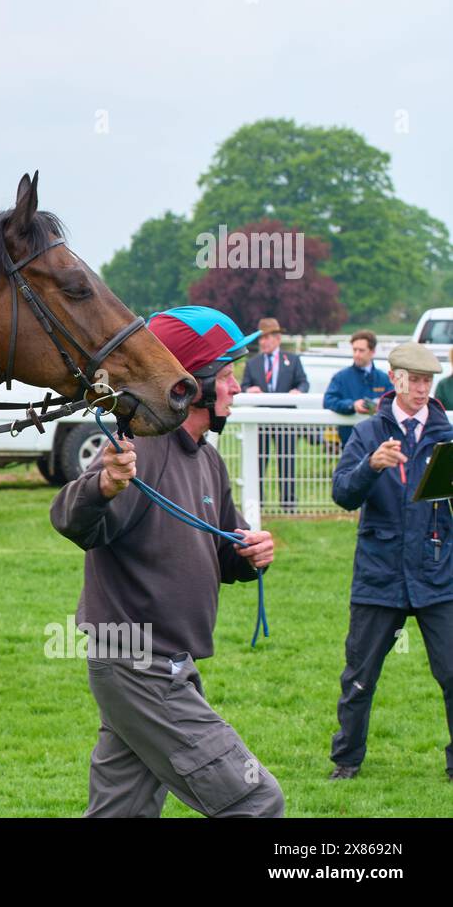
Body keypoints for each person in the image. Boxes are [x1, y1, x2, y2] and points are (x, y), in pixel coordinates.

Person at [50, 305, 283, 818]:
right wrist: (102, 486)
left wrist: (250, 555)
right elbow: (72, 520)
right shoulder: (142, 452)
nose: (237, 388)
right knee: (256, 801)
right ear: (193, 384)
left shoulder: (207, 458)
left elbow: (223, 551)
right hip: (141, 668)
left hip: (167, 667)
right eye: (227, 376)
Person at [328, 341, 453, 782]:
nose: (422, 390)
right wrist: (371, 465)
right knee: (359, 677)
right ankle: (347, 759)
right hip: (378, 574)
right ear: (395, 379)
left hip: (438, 573)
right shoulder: (367, 433)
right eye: (415, 381)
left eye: (428, 382)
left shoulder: (447, 435)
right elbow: (343, 494)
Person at [241, 317, 309, 511]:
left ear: (278, 339)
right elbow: (244, 385)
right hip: (259, 420)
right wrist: (248, 390)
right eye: (261, 338)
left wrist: (299, 392)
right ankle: (257, 503)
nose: (263, 342)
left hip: (285, 419)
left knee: (287, 460)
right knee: (259, 461)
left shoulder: (293, 360)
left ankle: (288, 504)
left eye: (268, 338)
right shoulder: (252, 363)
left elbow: (303, 382)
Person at [323, 330, 393, 447]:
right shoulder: (341, 377)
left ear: (372, 352)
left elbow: (393, 403)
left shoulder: (384, 379)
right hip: (350, 440)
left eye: (361, 350)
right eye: (354, 350)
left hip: (378, 440)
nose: (356, 354)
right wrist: (352, 405)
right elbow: (328, 401)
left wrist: (378, 406)